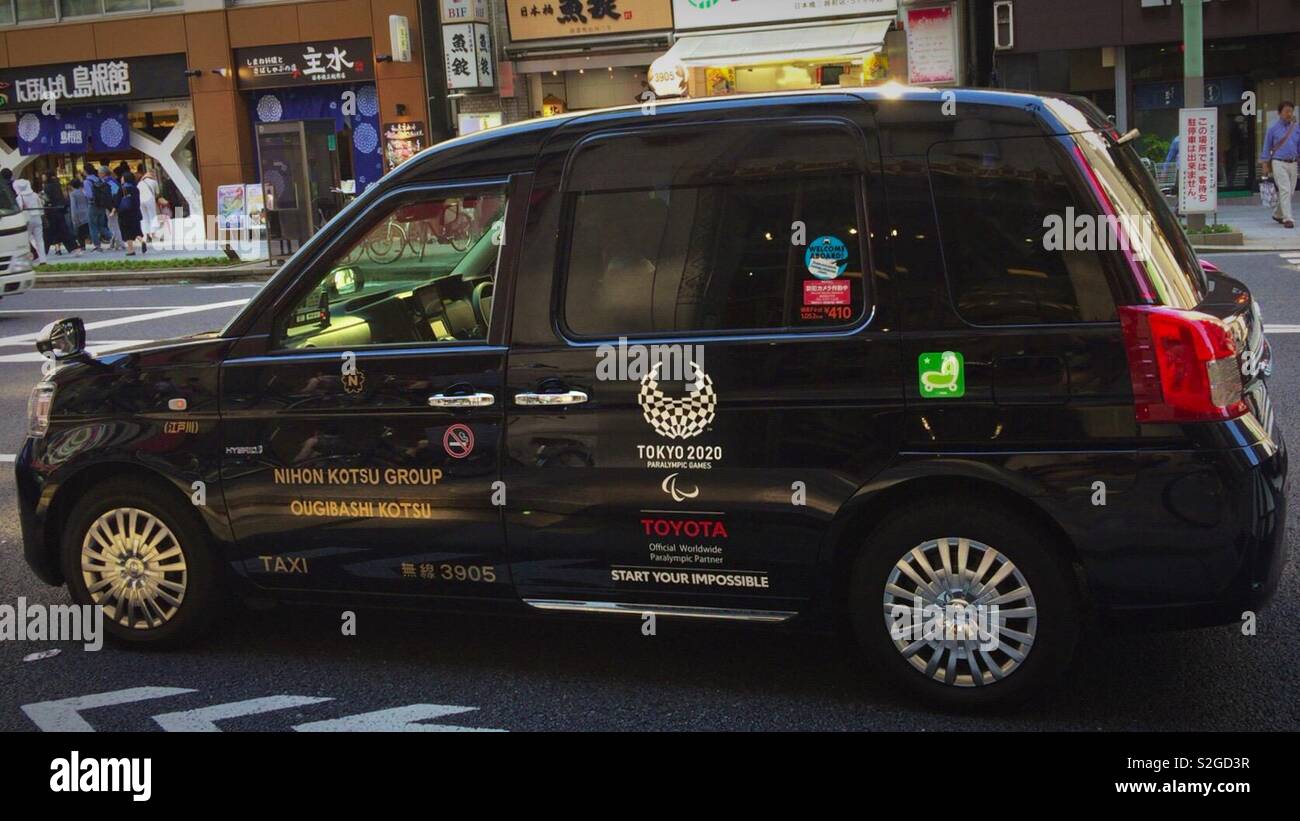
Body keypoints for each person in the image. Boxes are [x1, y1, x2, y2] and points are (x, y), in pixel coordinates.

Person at [1260, 100, 1300, 228]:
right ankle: (1288, 219)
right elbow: (1266, 147)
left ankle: (1277, 213)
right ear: (1279, 113)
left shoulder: (1296, 127)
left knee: (1290, 192)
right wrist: (1265, 164)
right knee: (1285, 189)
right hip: (1278, 162)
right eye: (1286, 111)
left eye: (1291, 111)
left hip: (1293, 163)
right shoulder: (1272, 129)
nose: (1289, 114)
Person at [41, 172, 78, 256]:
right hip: (59, 210)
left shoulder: (47, 187)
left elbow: (46, 199)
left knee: (48, 232)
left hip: (51, 211)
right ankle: (73, 248)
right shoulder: (57, 185)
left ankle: (42, 251)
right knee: (63, 230)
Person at [13, 178, 47, 265]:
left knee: (26, 240)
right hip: (37, 218)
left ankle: (27, 260)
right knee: (40, 240)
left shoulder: (19, 197)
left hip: (27, 220)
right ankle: (43, 260)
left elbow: (19, 209)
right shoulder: (35, 195)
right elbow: (41, 206)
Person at [115, 171, 145, 255]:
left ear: (125, 179)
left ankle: (131, 250)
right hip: (135, 213)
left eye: (122, 177)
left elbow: (117, 202)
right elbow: (137, 202)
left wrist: (115, 210)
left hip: (124, 214)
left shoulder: (122, 189)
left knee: (127, 232)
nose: (121, 179)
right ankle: (142, 241)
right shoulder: (135, 188)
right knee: (135, 229)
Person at [84, 165, 112, 251]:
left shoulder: (87, 181)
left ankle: (97, 245)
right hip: (101, 205)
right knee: (101, 225)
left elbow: (89, 195)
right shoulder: (98, 179)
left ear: (86, 171)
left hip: (92, 205)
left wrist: (84, 192)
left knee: (93, 226)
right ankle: (112, 236)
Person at [136, 163, 160, 242]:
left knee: (144, 218)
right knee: (152, 216)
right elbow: (157, 193)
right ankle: (154, 234)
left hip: (141, 201)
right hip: (150, 199)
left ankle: (146, 235)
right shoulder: (154, 182)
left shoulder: (139, 183)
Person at [68, 178, 89, 250]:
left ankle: (82, 246)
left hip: (78, 214)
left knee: (79, 232)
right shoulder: (83, 191)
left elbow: (73, 206)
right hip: (87, 212)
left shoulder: (73, 194)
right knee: (86, 230)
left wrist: (73, 218)